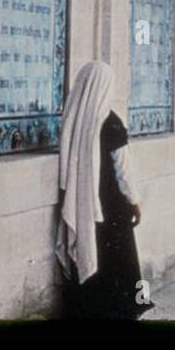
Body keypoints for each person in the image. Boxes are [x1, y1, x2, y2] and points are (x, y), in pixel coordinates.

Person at [55, 60, 152, 319]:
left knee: (90, 259)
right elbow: (124, 171)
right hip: (112, 208)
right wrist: (135, 201)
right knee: (117, 262)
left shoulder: (73, 122)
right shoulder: (111, 123)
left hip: (83, 204)